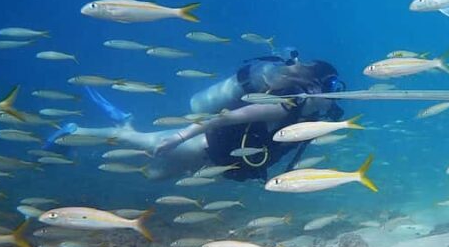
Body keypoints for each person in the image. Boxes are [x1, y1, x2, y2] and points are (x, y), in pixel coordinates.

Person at [63, 49, 346, 181]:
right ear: (314, 85)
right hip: (199, 146)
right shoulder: (284, 106)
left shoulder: (306, 117)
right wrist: (177, 136)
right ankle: (74, 131)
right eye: (332, 86)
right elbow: (225, 117)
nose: (335, 94)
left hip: (210, 160)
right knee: (130, 139)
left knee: (153, 176)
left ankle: (122, 123)